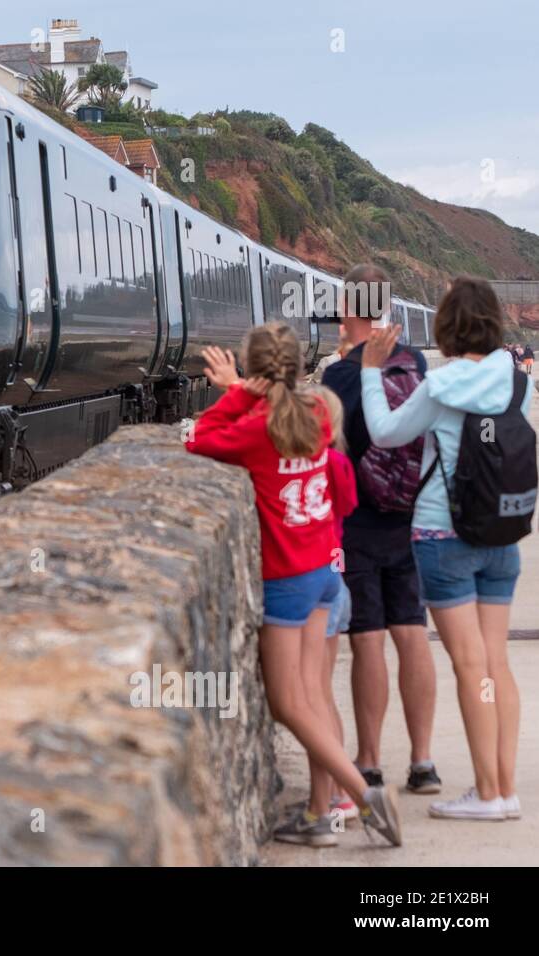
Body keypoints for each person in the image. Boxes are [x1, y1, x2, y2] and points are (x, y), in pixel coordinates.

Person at [186, 321, 402, 847]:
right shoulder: (316, 413)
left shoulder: (256, 429)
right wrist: (248, 389)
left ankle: (365, 794)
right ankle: (320, 813)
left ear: (252, 370)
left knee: (287, 704)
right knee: (313, 694)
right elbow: (337, 489)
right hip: (328, 574)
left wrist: (231, 393)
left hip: (287, 583)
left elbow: (197, 438)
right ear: (301, 368)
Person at [360, 278, 530, 821]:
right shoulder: (520, 383)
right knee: (495, 664)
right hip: (502, 534)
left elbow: (385, 434)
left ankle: (487, 793)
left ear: (448, 327)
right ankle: (505, 788)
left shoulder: (439, 387)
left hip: (443, 535)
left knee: (470, 666)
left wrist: (368, 371)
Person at [322, 264, 440, 796]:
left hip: (358, 522)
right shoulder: (413, 361)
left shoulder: (341, 374)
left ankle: (369, 761)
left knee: (368, 638)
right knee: (412, 632)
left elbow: (330, 444)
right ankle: (423, 762)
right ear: (387, 304)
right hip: (409, 518)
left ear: (350, 309)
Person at [316, 385, 359, 824]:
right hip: (337, 579)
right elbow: (347, 505)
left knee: (314, 696)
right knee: (324, 694)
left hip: (312, 586)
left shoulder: (308, 465)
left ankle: (340, 794)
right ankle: (341, 793)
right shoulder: (340, 463)